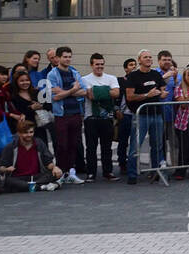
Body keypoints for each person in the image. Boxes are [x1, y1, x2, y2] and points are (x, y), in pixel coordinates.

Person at [125, 50, 168, 184]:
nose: (148, 59)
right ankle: (132, 174)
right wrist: (146, 96)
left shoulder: (156, 74)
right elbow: (129, 96)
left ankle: (155, 172)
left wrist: (162, 94)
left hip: (156, 114)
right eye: (145, 57)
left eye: (150, 57)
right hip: (141, 116)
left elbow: (163, 89)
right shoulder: (133, 76)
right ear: (139, 60)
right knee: (135, 146)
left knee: (157, 145)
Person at [47, 46, 86, 184]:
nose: (68, 59)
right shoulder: (52, 74)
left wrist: (65, 91)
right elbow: (54, 97)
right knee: (62, 145)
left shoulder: (74, 73)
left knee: (73, 144)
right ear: (58, 58)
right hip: (61, 115)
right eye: (65, 56)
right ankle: (60, 172)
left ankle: (71, 172)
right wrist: (74, 89)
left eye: (69, 56)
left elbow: (84, 91)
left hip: (75, 113)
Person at [80, 53, 120, 182]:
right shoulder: (85, 79)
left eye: (102, 64)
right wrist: (107, 91)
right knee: (91, 147)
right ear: (92, 65)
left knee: (106, 147)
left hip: (107, 118)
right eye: (97, 64)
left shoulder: (111, 78)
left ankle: (108, 172)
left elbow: (116, 93)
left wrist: (96, 91)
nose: (100, 67)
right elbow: (90, 96)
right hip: (90, 118)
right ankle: (91, 173)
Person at [0, 119, 62, 192]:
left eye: (31, 132)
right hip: (18, 178)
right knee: (8, 181)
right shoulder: (10, 147)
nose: (29, 135)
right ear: (19, 133)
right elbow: (1, 168)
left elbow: (48, 162)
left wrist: (54, 167)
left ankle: (31, 186)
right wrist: (7, 169)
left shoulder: (39, 143)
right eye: (25, 133)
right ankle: (42, 187)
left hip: (36, 176)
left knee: (54, 174)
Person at [116, 58, 137, 174]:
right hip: (125, 115)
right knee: (123, 141)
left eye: (135, 65)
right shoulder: (121, 81)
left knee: (135, 142)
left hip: (136, 114)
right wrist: (116, 110)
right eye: (130, 65)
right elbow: (116, 97)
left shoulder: (139, 80)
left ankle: (133, 164)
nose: (133, 67)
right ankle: (122, 163)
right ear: (125, 68)